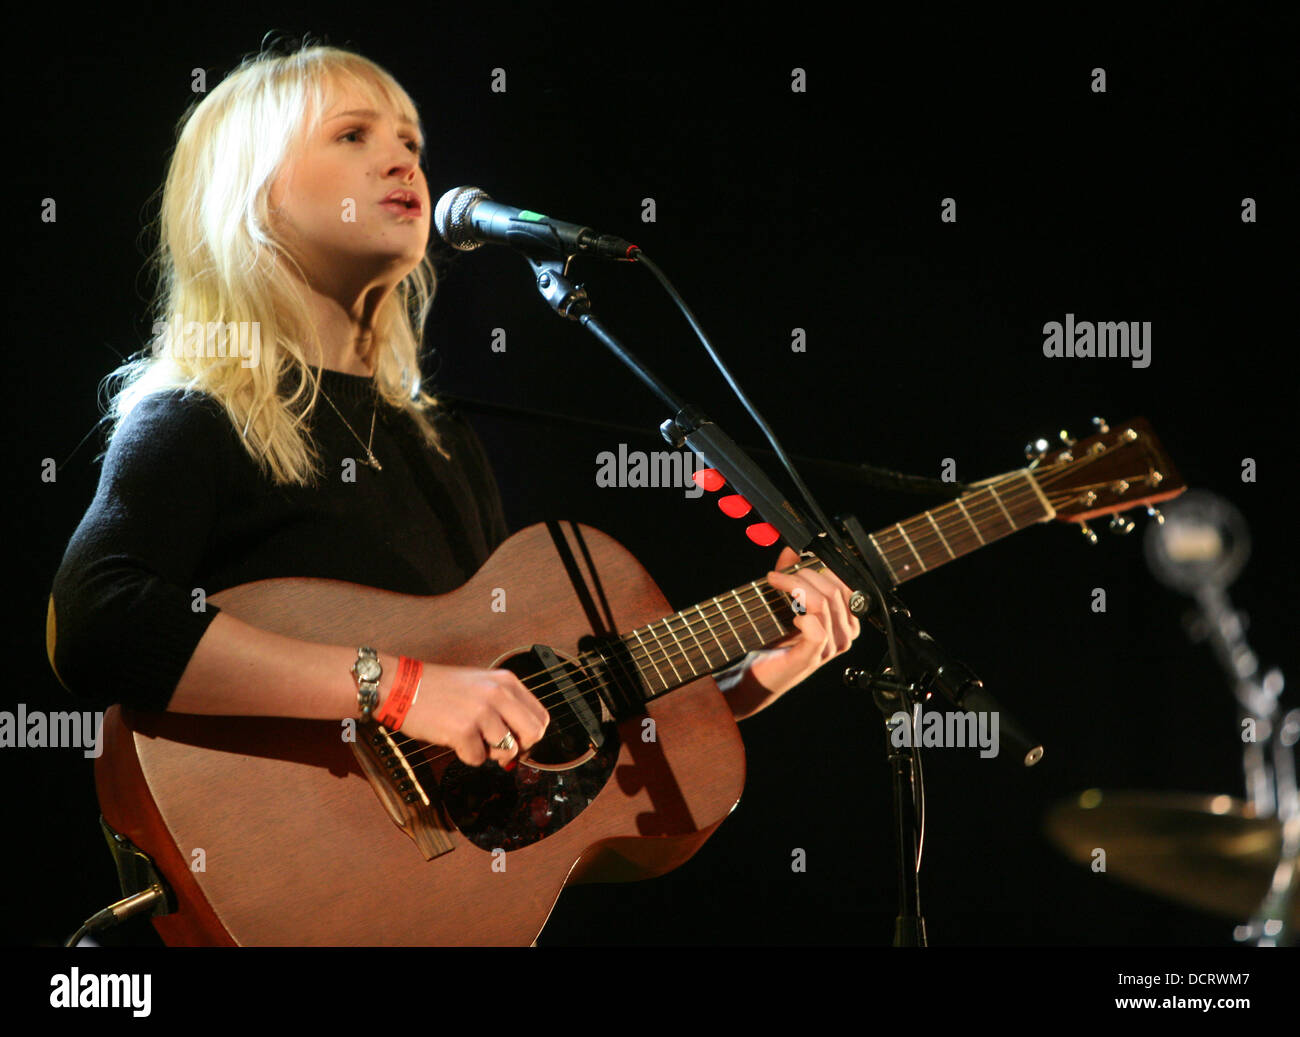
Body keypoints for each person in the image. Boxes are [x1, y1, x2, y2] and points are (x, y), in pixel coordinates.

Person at [47, 42, 859, 812]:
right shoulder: (198, 413)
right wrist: (398, 689)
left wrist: (743, 683)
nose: (405, 161)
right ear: (253, 194)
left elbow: (520, 738)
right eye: (354, 135)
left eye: (410, 141)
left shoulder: (439, 443)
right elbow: (96, 624)